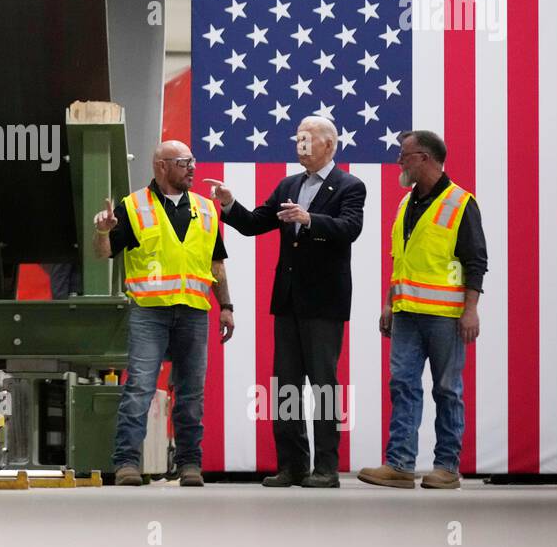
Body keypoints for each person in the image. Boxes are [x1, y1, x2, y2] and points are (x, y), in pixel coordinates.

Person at [207, 116, 365, 488]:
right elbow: (255, 223)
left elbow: (350, 229)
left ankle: (326, 468)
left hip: (325, 301)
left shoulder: (349, 186)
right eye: (298, 140)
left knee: (324, 386)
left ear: (329, 144)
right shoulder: (289, 184)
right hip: (289, 300)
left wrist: (310, 219)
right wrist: (230, 205)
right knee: (286, 387)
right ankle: (292, 465)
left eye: (307, 140)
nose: (300, 146)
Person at [93, 140, 235, 487]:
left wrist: (227, 306)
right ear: (161, 166)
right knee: (140, 387)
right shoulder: (133, 206)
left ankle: (190, 465)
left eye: (192, 161)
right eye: (184, 162)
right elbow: (104, 253)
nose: (192, 168)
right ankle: (126, 463)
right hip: (149, 313)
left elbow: (215, 264)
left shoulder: (205, 208)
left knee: (191, 393)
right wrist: (102, 231)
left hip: (193, 312)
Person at [359, 129, 488, 490]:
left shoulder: (461, 203)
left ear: (425, 159)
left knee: (447, 390)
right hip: (406, 314)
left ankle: (446, 467)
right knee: (403, 385)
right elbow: (401, 259)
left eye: (405, 155)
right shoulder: (405, 203)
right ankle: (400, 464)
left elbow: (476, 260)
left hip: (447, 318)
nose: (399, 161)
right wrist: (389, 302)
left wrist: (470, 310)